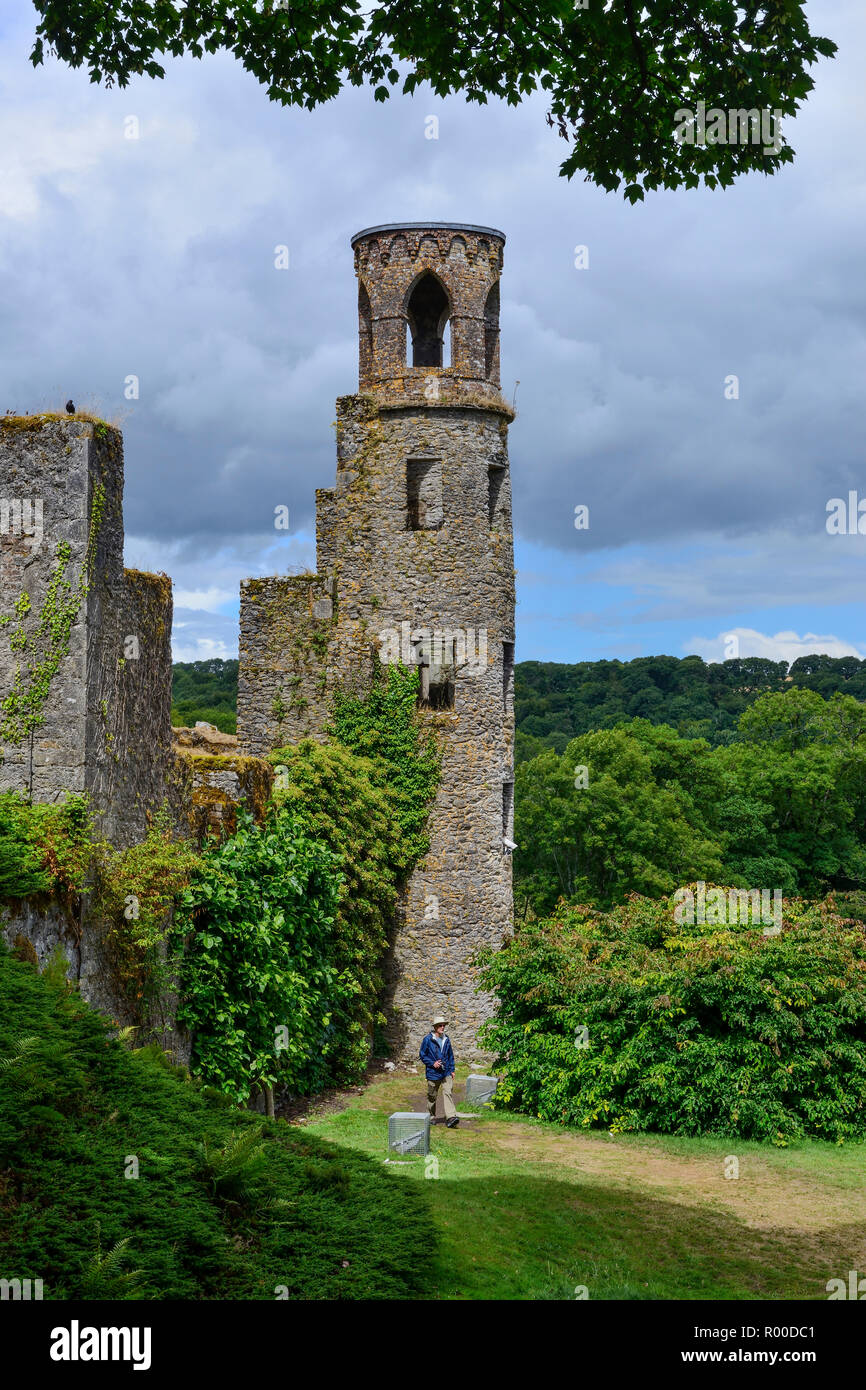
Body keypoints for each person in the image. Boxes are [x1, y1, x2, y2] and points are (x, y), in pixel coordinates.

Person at [419, 1015, 458, 1128]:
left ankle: (451, 1117)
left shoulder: (447, 1039)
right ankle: (430, 1116)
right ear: (435, 1027)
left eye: (443, 1025)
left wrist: (452, 1070)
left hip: (446, 1072)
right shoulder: (427, 1039)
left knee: (448, 1092)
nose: (443, 1027)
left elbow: (450, 1055)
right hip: (433, 1072)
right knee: (432, 1096)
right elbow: (422, 1055)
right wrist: (432, 1063)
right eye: (440, 1025)